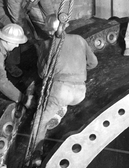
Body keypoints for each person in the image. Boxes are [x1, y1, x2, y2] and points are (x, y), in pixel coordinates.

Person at [31, 17, 98, 151]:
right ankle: (61, 110)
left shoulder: (47, 44)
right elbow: (94, 63)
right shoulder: (80, 39)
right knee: (61, 98)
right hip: (80, 92)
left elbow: (43, 73)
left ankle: (35, 154)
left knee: (38, 122)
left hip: (61, 91)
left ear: (49, 31)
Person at [0, 23, 34, 108]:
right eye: (15, 43)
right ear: (7, 40)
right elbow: (2, 83)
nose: (17, 45)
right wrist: (23, 99)